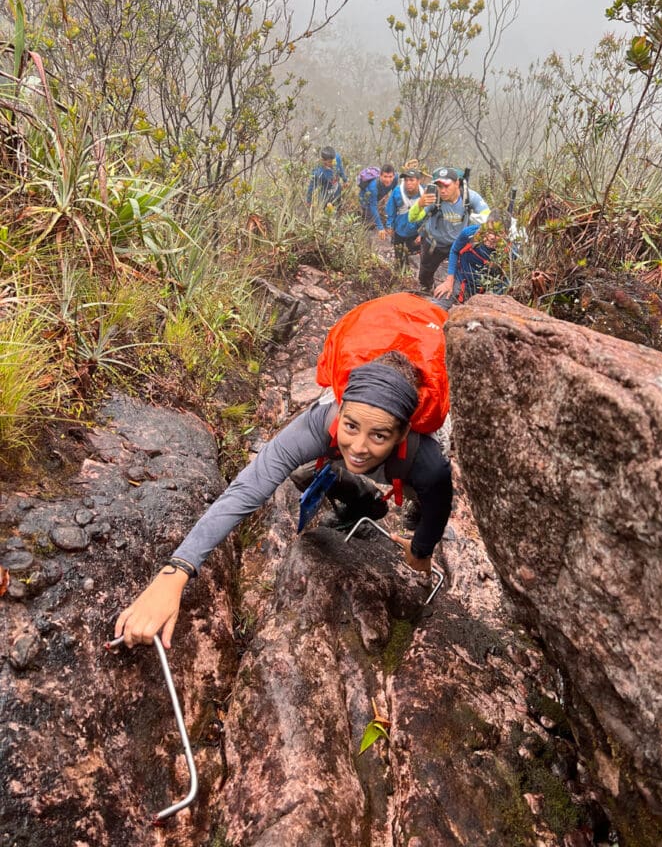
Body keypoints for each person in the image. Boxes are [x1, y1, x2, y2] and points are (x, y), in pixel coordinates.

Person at [114, 351, 452, 648]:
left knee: (420, 503)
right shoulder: (318, 423)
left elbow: (439, 506)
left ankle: (386, 502)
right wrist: (175, 572)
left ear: (403, 433)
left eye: (379, 435)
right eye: (351, 426)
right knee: (303, 470)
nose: (361, 446)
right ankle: (364, 502)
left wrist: (421, 549)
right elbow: (249, 487)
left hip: (405, 472)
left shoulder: (428, 465)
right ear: (340, 406)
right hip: (340, 449)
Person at [408, 167, 491, 292]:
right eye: (439, 186)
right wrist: (419, 204)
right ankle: (427, 288)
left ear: (457, 183)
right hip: (434, 243)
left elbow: (487, 215)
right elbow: (412, 218)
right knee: (425, 274)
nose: (443, 191)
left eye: (447, 186)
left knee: (464, 272)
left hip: (458, 244)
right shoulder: (433, 197)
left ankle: (460, 294)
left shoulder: (469, 197)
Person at [433, 210, 515, 308]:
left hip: (485, 292)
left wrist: (492, 298)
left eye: (499, 233)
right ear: (485, 226)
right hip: (460, 281)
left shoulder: (510, 252)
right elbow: (454, 250)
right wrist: (449, 281)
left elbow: (506, 280)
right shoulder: (469, 234)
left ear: (507, 233)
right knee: (436, 308)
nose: (492, 237)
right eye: (490, 231)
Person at [386, 165, 426, 271]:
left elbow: (430, 216)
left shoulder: (425, 195)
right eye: (406, 180)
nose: (408, 183)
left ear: (418, 181)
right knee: (399, 257)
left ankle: (411, 272)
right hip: (399, 230)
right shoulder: (397, 191)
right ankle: (399, 274)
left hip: (415, 232)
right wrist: (389, 225)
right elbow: (391, 209)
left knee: (412, 253)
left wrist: (423, 233)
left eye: (412, 180)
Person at [360, 164, 397, 239]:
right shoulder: (373, 186)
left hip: (379, 196)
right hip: (365, 198)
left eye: (390, 177)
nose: (388, 180)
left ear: (394, 175)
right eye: (385, 176)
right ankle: (366, 234)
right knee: (368, 216)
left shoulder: (396, 178)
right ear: (380, 176)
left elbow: (394, 192)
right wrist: (380, 227)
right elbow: (373, 206)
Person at [306, 146, 348, 211]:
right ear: (323, 160)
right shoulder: (318, 172)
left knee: (337, 208)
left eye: (333, 161)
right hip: (325, 197)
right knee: (326, 213)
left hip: (337, 191)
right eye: (330, 162)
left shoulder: (337, 158)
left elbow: (340, 169)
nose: (332, 164)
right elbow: (311, 187)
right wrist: (309, 201)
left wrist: (345, 180)